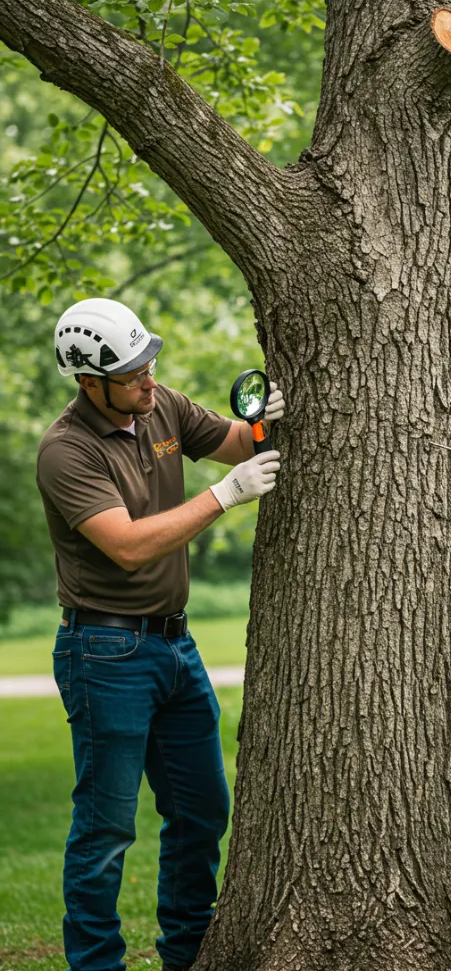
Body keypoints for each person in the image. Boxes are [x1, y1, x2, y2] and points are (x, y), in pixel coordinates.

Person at [37, 297, 285, 971]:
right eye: (133, 373)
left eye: (150, 363)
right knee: (107, 828)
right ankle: (96, 964)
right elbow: (126, 546)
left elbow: (235, 442)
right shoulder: (67, 450)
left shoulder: (160, 405)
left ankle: (186, 955)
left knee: (203, 810)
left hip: (176, 646)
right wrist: (223, 497)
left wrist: (265, 422)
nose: (150, 380)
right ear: (90, 381)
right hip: (104, 653)